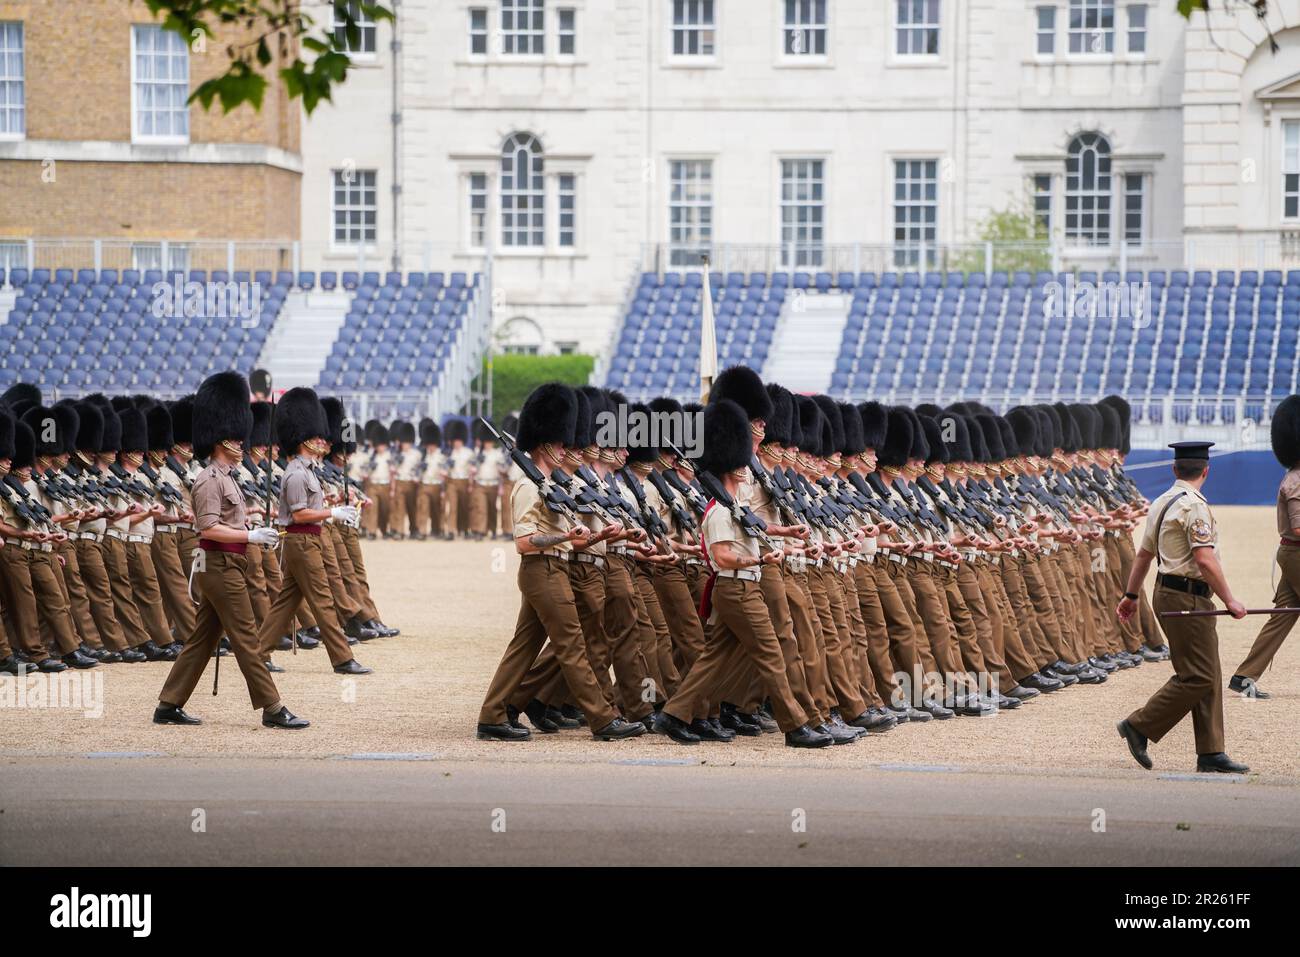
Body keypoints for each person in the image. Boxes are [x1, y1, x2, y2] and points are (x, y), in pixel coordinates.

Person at [476, 382, 646, 743]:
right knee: (573, 645)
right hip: (542, 570)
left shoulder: (552, 485)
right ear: (542, 443)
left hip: (556, 567)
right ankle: (602, 719)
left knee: (523, 647)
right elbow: (524, 543)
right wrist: (568, 537)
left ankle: (495, 713)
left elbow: (571, 534)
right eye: (558, 443)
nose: (564, 449)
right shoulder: (527, 486)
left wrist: (596, 536)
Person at [155, 371, 309, 730]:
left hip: (227, 564)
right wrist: (250, 539)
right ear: (220, 441)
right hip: (219, 565)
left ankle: (169, 703)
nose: (242, 446)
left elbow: (227, 523)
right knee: (247, 638)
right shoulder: (208, 480)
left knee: (202, 639)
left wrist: (251, 530)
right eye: (236, 441)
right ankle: (272, 707)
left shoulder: (226, 477)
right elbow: (207, 527)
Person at [1116, 441, 1248, 774]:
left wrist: (1131, 596)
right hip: (1187, 597)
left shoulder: (1161, 502)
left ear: (1175, 470)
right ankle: (1139, 725)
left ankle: (1210, 751)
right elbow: (1204, 559)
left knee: (1208, 672)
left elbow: (1144, 555)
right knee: (1199, 675)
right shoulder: (1195, 507)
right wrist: (1229, 599)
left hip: (1168, 592)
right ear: (1206, 470)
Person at [256, 387, 371, 675]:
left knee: (285, 602)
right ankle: (342, 658)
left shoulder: (308, 470)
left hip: (310, 539)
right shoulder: (296, 473)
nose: (323, 441)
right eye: (318, 437)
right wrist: (332, 512)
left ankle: (258, 654)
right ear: (304, 439)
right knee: (323, 599)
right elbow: (299, 514)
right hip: (302, 539)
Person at [1228, 394, 1300, 698]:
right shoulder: (1298, 480)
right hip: (1298, 553)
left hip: (1292, 554)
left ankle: (1244, 676)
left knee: (1283, 616)